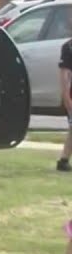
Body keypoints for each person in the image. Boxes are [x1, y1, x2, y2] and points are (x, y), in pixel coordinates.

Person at [58, 37, 71, 172]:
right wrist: (66, 97)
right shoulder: (68, 47)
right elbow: (64, 74)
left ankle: (64, 160)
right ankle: (63, 160)